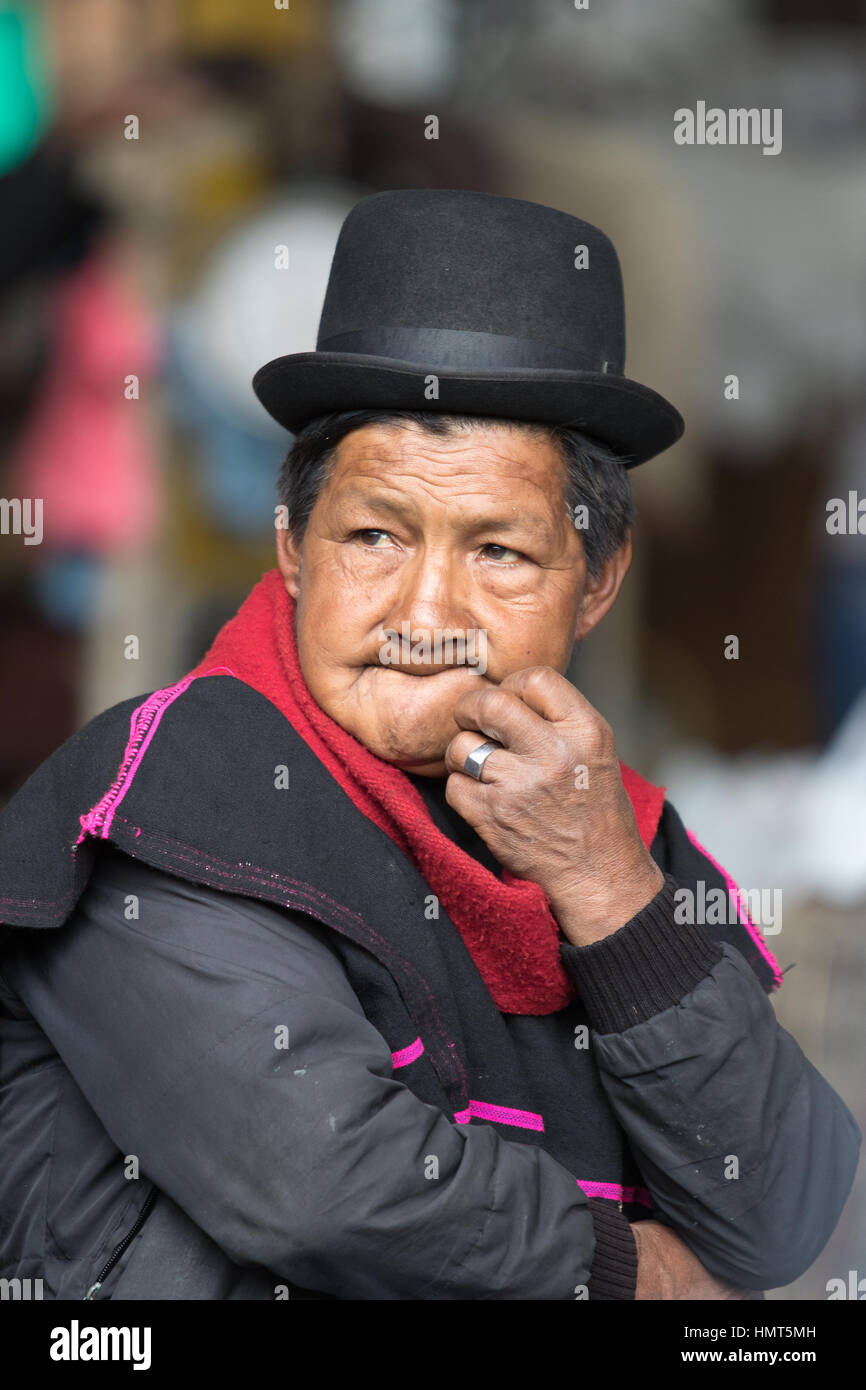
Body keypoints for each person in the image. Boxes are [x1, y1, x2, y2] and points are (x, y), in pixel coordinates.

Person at [0, 189, 859, 1301]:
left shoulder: (603, 822)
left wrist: (604, 887)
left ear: (594, 583)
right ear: (292, 547)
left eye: (498, 550)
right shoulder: (175, 797)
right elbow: (312, 1173)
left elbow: (785, 1211)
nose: (425, 609)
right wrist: (636, 1277)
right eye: (372, 536)